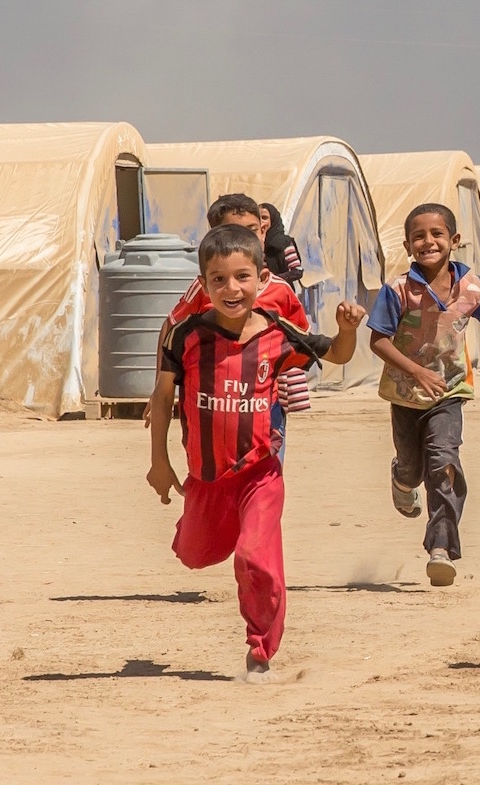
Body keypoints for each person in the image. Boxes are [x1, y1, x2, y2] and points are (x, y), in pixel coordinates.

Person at [146, 223, 366, 683]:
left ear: (262, 280)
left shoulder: (278, 333)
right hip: (205, 480)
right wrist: (160, 461)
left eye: (242, 277)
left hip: (260, 473)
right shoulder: (184, 336)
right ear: (202, 285)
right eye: (219, 279)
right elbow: (163, 397)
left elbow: (338, 355)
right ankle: (213, 529)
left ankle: (260, 651)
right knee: (194, 555)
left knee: (255, 560)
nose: (232, 288)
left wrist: (346, 330)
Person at [367, 203, 480, 587]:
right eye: (418, 236)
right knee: (414, 467)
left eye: (436, 234)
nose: (428, 242)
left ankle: (441, 548)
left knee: (444, 463)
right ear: (407, 244)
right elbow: (378, 340)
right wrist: (414, 370)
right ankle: (401, 479)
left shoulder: (473, 287)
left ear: (454, 241)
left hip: (449, 391)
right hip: (405, 394)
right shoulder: (398, 290)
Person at [145, 194, 314, 447]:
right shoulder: (206, 289)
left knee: (267, 463)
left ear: (264, 231)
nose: (245, 237)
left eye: (252, 229)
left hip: (264, 400)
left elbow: (299, 337)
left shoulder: (280, 290)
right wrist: (161, 386)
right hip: (212, 400)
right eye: (234, 230)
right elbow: (171, 326)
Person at [260, 202, 304, 286]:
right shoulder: (252, 242)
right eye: (258, 218)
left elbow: (297, 271)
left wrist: (274, 279)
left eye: (264, 218)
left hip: (281, 291)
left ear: (272, 220)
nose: (261, 222)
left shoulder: (284, 243)